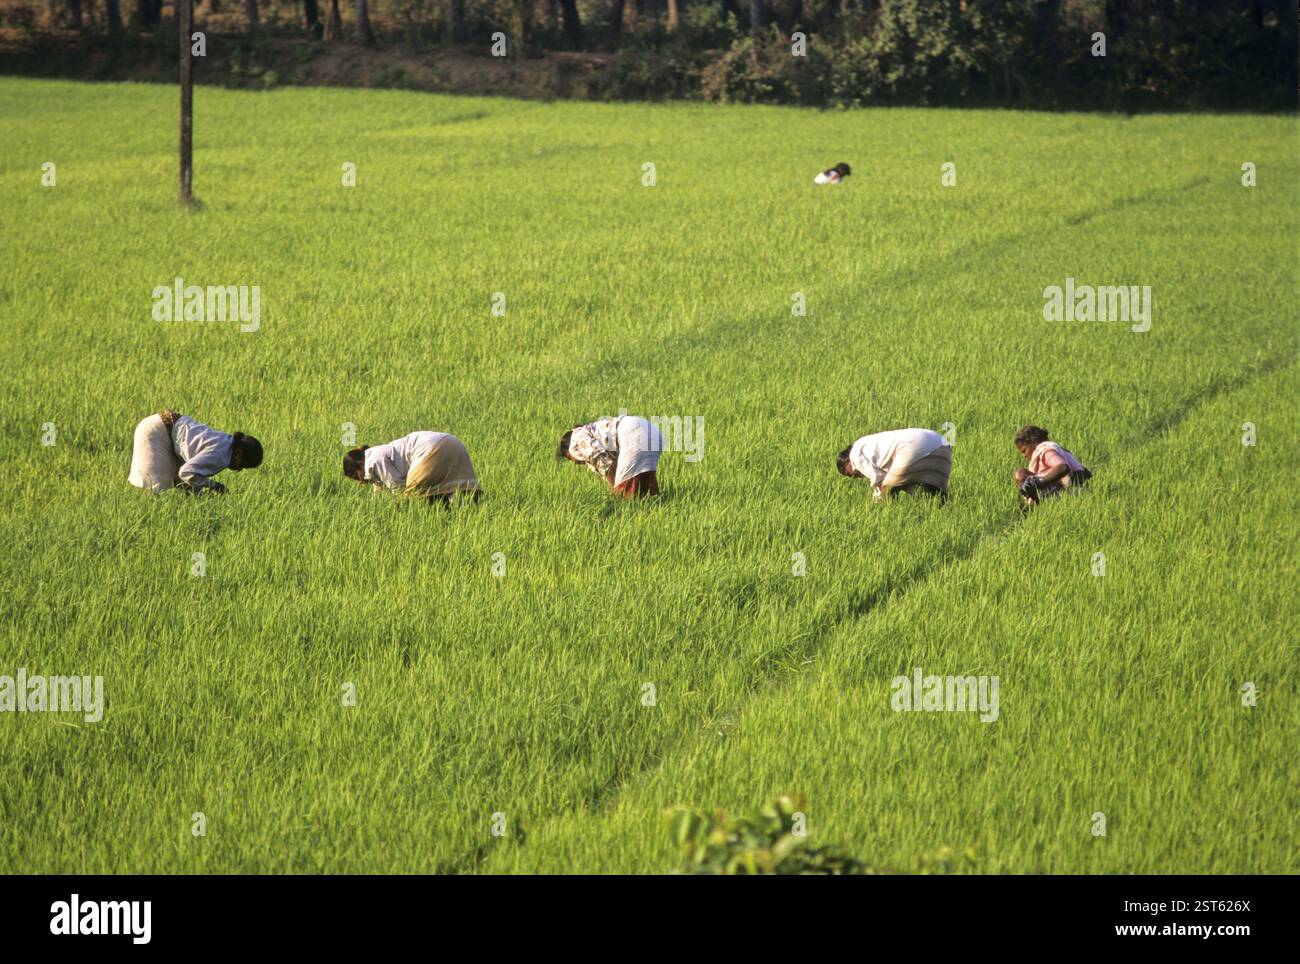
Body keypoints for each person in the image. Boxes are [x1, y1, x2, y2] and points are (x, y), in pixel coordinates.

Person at [128, 408, 262, 494]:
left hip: (161, 426)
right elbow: (186, 472)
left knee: (175, 485)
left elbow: (191, 478)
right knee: (154, 487)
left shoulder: (225, 443)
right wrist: (213, 485)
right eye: (243, 466)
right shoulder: (221, 455)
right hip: (156, 432)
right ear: (238, 453)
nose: (239, 470)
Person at [343, 430, 481, 505]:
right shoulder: (376, 455)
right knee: (449, 487)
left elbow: (397, 486)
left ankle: (447, 515)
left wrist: (400, 508)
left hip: (432, 449)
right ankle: (465, 512)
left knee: (414, 493)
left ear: (360, 464)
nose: (360, 482)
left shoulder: (373, 461)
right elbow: (378, 495)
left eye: (356, 477)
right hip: (452, 442)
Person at [558, 414, 662, 498]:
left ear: (569, 451)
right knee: (646, 488)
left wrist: (615, 489)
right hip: (652, 431)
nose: (575, 462)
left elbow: (601, 459)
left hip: (633, 434)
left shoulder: (576, 439)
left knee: (624, 498)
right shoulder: (591, 432)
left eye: (569, 458)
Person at [836, 428, 951, 500]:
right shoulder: (865, 442)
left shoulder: (855, 455)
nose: (853, 477)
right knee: (935, 494)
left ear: (848, 462)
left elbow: (878, 479)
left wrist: (875, 504)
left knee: (888, 490)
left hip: (911, 447)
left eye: (848, 474)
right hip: (942, 446)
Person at [1012, 425, 1091, 508]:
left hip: (1071, 488)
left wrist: (1041, 482)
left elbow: (1063, 467)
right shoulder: (1055, 448)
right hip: (1076, 485)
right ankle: (1031, 503)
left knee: (1020, 474)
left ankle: (1032, 505)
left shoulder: (1045, 450)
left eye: (1024, 450)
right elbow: (1087, 472)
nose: (1024, 455)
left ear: (1034, 442)